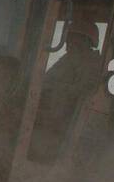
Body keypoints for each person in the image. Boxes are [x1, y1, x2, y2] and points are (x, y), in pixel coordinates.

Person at [28, 15, 103, 164]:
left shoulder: (91, 63)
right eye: (68, 37)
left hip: (67, 119)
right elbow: (46, 80)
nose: (67, 42)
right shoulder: (69, 59)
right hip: (54, 112)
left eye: (71, 37)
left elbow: (82, 91)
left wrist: (52, 88)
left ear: (84, 40)